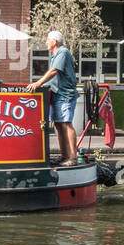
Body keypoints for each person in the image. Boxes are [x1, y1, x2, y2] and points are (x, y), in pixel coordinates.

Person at [27, 30, 79, 165]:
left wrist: (38, 83)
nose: (45, 42)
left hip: (65, 94)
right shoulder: (55, 55)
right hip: (57, 94)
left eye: (47, 40)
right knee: (58, 124)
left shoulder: (63, 52)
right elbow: (54, 77)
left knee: (66, 123)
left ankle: (73, 157)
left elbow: (54, 71)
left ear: (54, 41)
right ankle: (64, 156)